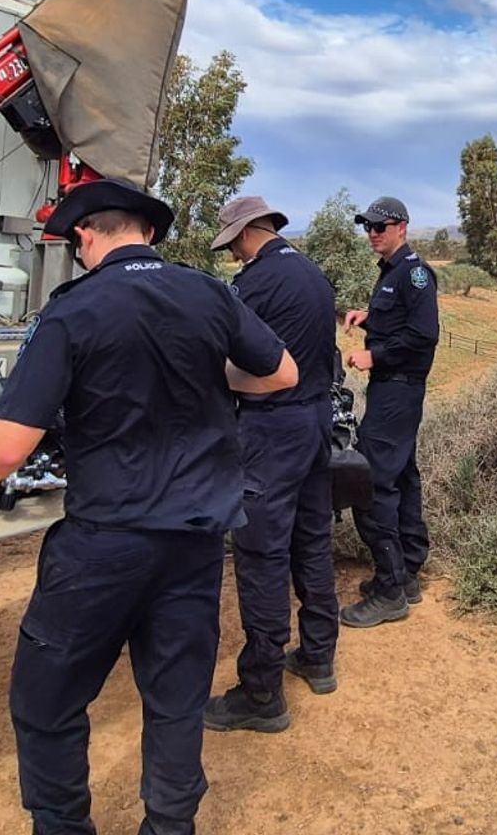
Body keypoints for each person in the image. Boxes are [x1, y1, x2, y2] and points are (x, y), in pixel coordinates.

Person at [0, 177, 297, 835]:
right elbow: (281, 372)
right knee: (175, 700)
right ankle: (170, 826)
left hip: (103, 546)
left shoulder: (72, 310)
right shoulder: (208, 292)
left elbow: (7, 450)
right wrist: (212, 372)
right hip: (196, 544)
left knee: (47, 701)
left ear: (86, 236)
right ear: (148, 233)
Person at [200, 196, 341, 733]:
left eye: (232, 244)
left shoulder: (254, 284)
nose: (234, 255)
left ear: (242, 235)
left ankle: (261, 692)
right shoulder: (312, 273)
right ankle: (319, 654)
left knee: (261, 553)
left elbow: (224, 353)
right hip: (315, 420)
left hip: (270, 429)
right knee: (312, 537)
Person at [338, 195, 439, 629]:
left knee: (373, 482)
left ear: (401, 226)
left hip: (397, 390)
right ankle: (410, 568)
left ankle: (391, 588)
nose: (372, 234)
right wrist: (369, 320)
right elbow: (398, 321)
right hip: (394, 394)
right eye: (368, 227)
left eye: (380, 226)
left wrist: (374, 357)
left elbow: (422, 336)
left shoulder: (415, 274)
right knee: (403, 475)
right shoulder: (392, 272)